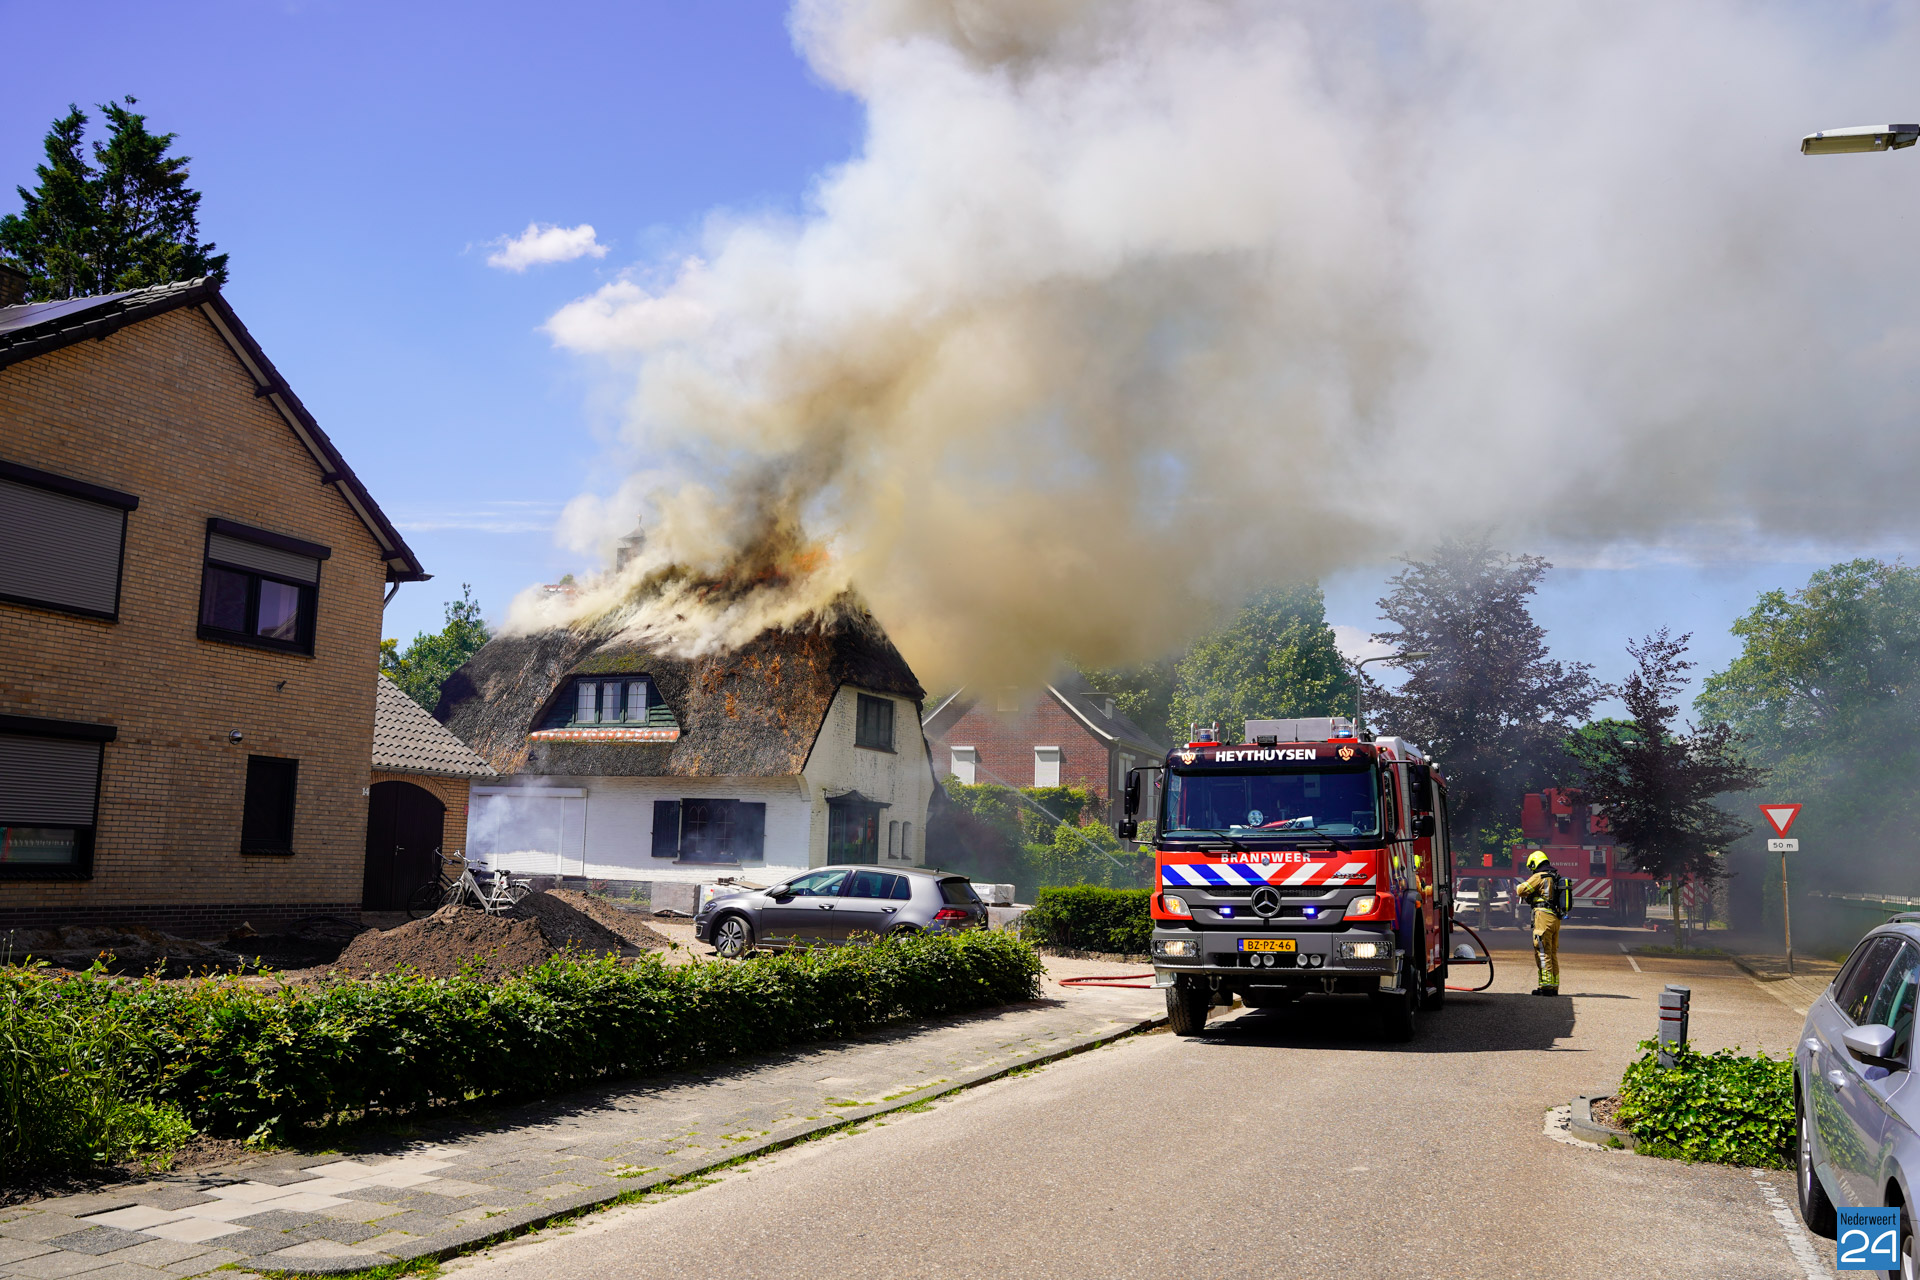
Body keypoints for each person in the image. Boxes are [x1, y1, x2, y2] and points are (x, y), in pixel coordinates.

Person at [1516, 850, 1569, 996]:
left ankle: (1545, 987)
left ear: (1534, 863)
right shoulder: (1555, 877)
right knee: (1552, 953)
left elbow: (1521, 890)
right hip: (1555, 918)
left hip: (1543, 917)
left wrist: (1521, 885)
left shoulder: (1539, 876)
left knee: (1542, 951)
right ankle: (1553, 986)